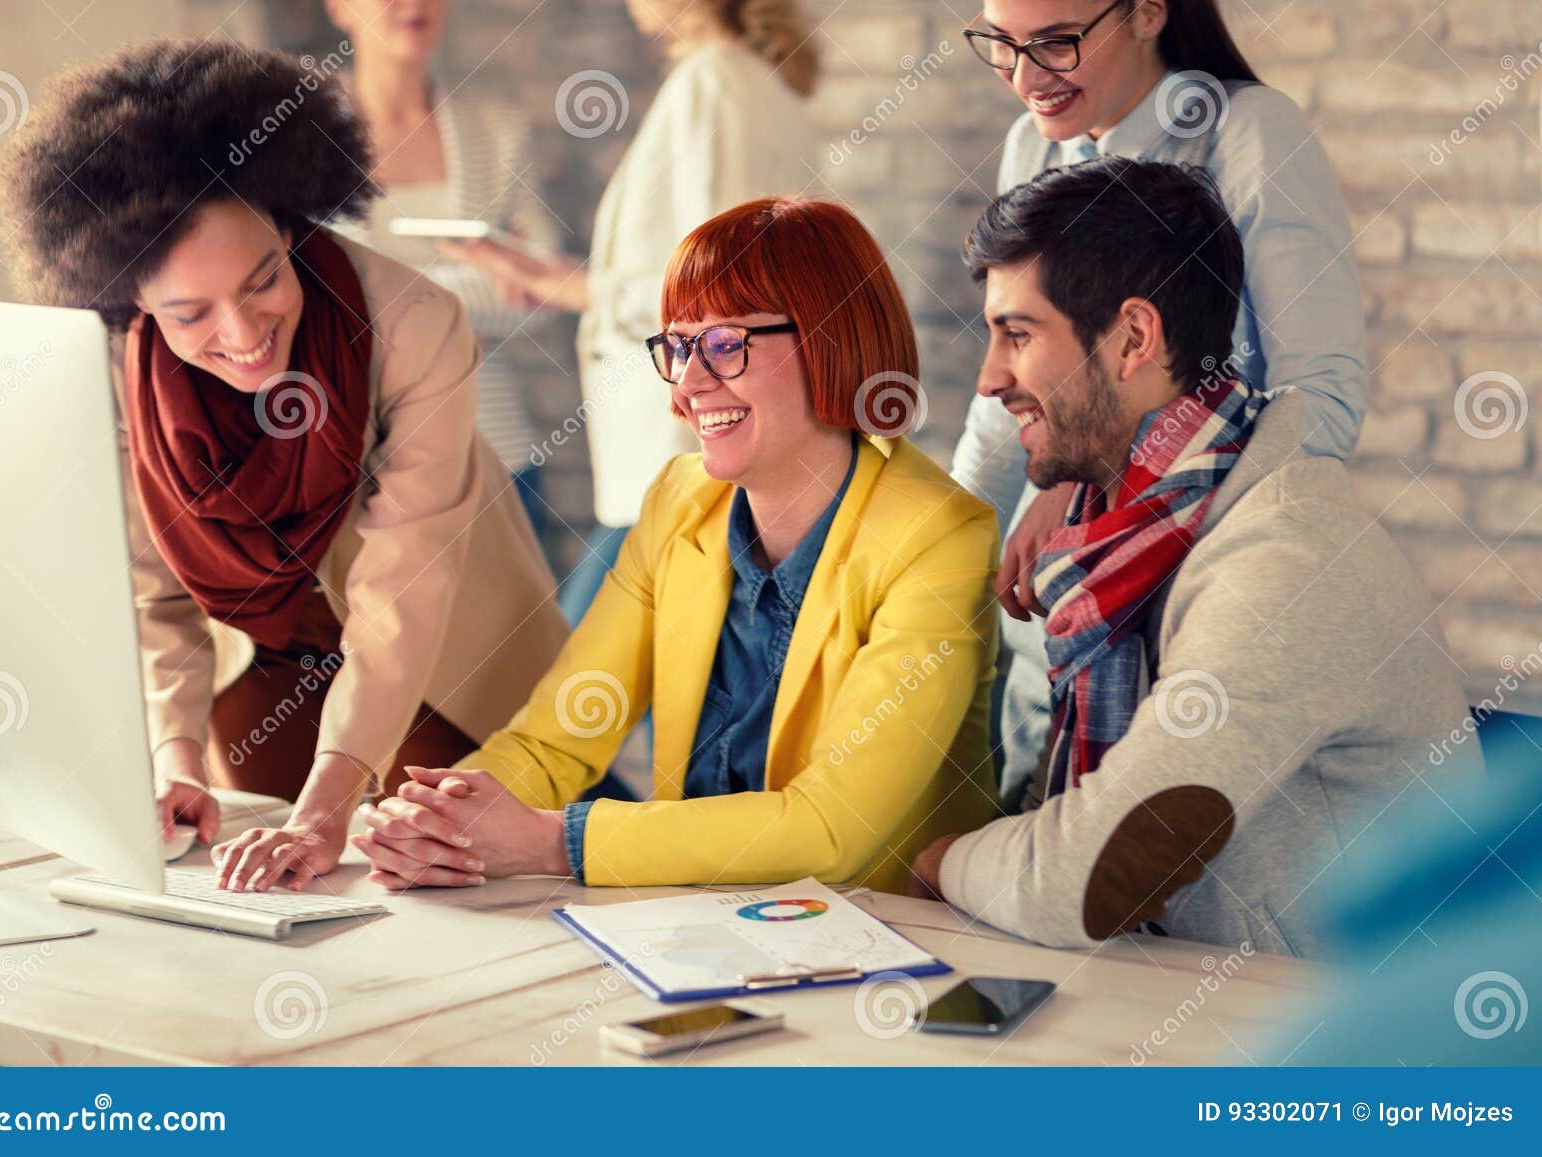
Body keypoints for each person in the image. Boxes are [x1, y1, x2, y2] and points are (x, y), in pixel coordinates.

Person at [0, 38, 569, 892]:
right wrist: (174, 757)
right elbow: (156, 590)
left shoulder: (417, 325)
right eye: (191, 314)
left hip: (444, 652)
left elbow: (401, 590)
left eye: (263, 279)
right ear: (133, 302)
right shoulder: (118, 370)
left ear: (289, 220)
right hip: (263, 653)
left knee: (448, 884)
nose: (243, 332)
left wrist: (328, 807)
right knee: (256, 901)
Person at [351, 198, 1001, 894]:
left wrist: (550, 840)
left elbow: (830, 827)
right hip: (699, 927)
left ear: (829, 337)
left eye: (725, 345)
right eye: (679, 347)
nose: (688, 386)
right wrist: (437, 820)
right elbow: (556, 738)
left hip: (890, 947)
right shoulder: (679, 499)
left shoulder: (939, 535)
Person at [910, 158, 1473, 954]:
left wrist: (937, 862)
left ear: (1134, 337)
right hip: (1186, 998)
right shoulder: (1117, 534)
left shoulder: (1283, 563)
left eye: (1018, 334)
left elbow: (1085, 875)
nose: (990, 377)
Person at [951, 0, 1367, 798]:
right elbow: (1012, 387)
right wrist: (937, 553)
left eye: (1057, 43)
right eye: (1000, 46)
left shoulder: (1249, 133)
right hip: (1057, 611)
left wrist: (1083, 486)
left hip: (1196, 602)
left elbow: (1321, 404)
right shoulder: (1032, 148)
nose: (1026, 77)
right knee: (1033, 832)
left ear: (1148, 11)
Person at [449, 0, 821, 625]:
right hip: (691, 452)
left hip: (679, 450)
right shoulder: (747, 80)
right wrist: (568, 283)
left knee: (575, 672)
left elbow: (719, 290)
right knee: (672, 680)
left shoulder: (714, 80)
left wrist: (580, 289)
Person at [324, 0, 558, 540]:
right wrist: (471, 294)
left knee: (521, 623)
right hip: (363, 462)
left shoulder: (497, 130)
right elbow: (318, 302)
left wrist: (389, 308)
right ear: (338, 6)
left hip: (495, 444)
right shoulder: (302, 137)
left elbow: (543, 290)